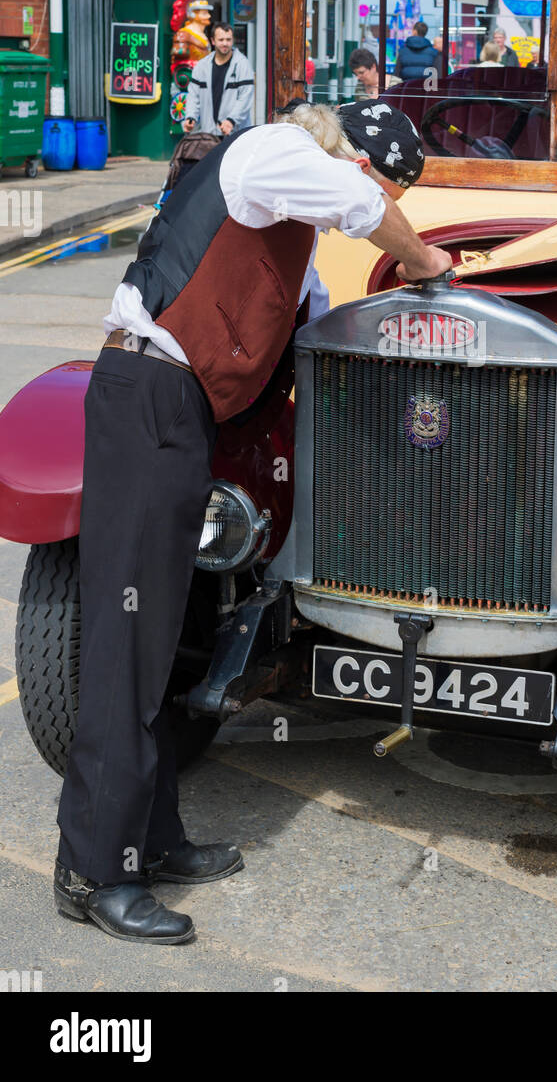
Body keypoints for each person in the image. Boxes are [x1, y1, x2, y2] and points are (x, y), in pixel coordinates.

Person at [54, 102, 452, 945]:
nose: (383, 201)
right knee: (125, 648)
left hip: (180, 413)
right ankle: (92, 872)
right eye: (389, 183)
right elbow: (359, 205)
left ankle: (149, 841)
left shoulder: (286, 224)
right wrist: (424, 263)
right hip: (149, 400)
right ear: (356, 158)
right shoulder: (273, 153)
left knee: (156, 644)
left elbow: (312, 319)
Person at [183, 23, 255, 137]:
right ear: (213, 41)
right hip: (208, 133)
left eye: (228, 39)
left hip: (235, 133)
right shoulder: (202, 66)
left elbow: (245, 98)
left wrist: (231, 121)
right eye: (221, 40)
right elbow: (193, 95)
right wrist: (190, 116)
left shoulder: (243, 65)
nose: (225, 43)